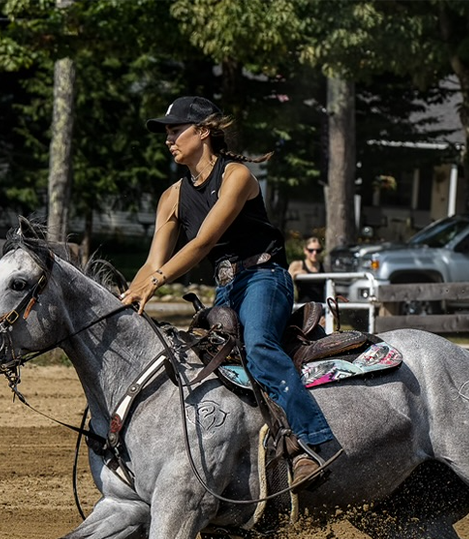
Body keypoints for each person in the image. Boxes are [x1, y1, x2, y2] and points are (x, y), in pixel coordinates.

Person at [121, 95, 342, 485]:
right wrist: (127, 298)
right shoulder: (171, 197)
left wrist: (154, 284)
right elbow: (152, 264)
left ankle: (314, 443)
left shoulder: (236, 176)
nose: (168, 139)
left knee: (258, 347)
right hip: (226, 292)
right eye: (167, 132)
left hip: (264, 279)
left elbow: (203, 243)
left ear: (203, 132)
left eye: (176, 130)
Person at [288, 237, 326, 303]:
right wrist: (295, 274)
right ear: (305, 250)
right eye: (311, 250)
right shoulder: (297, 265)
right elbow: (285, 280)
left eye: (318, 251)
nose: (314, 253)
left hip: (320, 308)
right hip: (302, 307)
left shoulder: (325, 267)